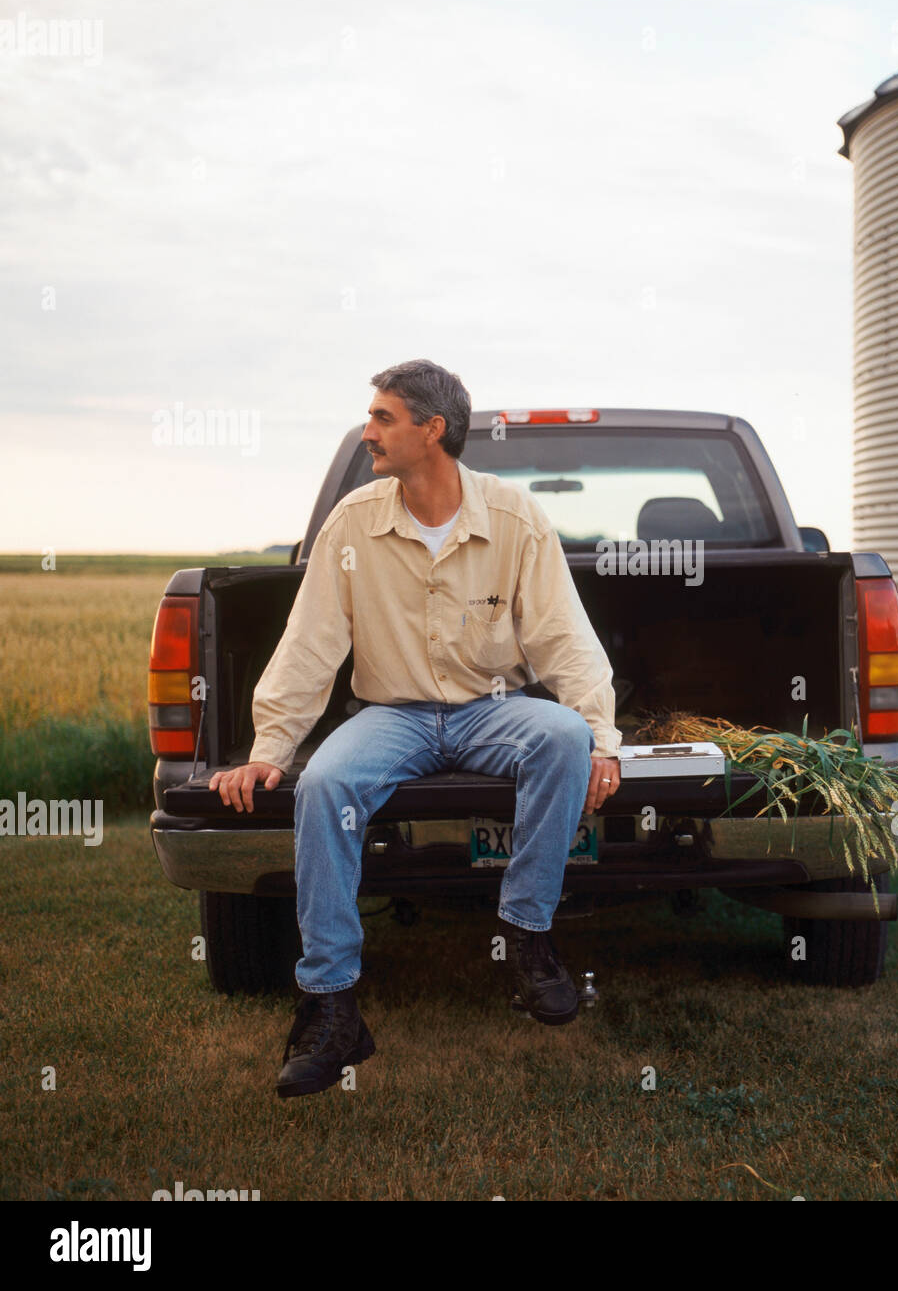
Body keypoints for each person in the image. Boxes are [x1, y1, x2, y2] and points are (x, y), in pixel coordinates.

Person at [208, 359, 622, 1099]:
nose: (368, 431)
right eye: (370, 417)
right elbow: (310, 641)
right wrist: (270, 748)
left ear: (433, 431)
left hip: (492, 708)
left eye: (384, 418)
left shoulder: (515, 519)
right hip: (391, 715)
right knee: (325, 783)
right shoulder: (354, 523)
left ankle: (528, 939)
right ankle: (333, 1007)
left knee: (562, 738)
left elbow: (565, 636)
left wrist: (603, 734)